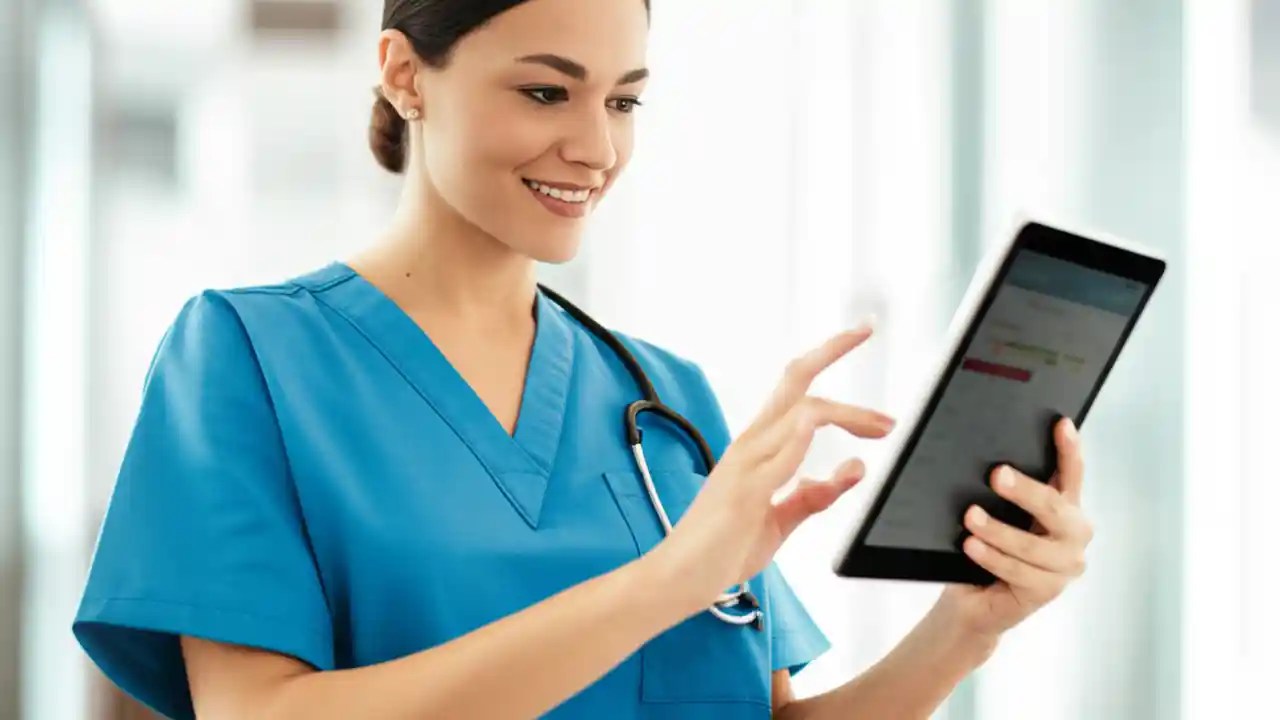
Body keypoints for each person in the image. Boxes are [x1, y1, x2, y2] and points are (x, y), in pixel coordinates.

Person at [71, 1, 1095, 718]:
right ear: (401, 74)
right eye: (547, 93)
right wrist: (668, 580)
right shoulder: (248, 358)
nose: (596, 150)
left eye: (622, 102)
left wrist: (966, 627)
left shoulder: (661, 399)